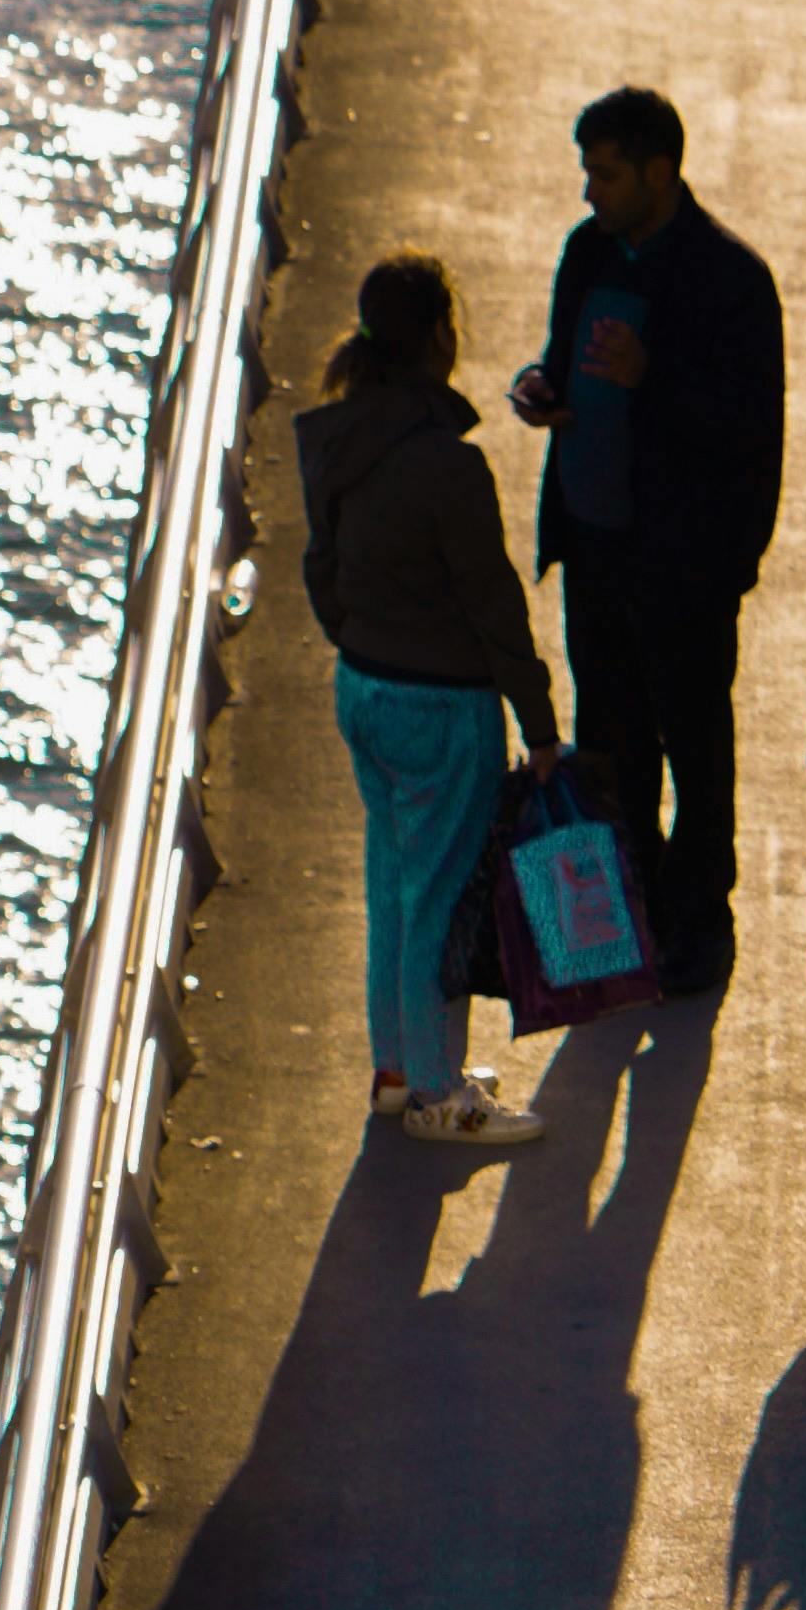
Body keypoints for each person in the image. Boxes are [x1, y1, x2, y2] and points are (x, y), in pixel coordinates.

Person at [510, 83, 784, 996]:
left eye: (607, 173)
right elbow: (563, 354)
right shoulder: (587, 252)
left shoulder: (729, 280)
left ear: (661, 171)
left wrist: (651, 375)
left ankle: (698, 924)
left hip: (683, 567)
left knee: (695, 747)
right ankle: (624, 924)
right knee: (612, 745)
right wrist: (541, 388)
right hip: (595, 550)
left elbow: (749, 426)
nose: (591, 192)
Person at [296, 255, 560, 1151]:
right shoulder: (449, 465)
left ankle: (398, 1070)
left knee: (393, 888)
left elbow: (318, 568)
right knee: (441, 902)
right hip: (442, 706)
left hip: (361, 687)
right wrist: (541, 721)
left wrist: (356, 634)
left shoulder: (334, 436)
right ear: (441, 337)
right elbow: (493, 605)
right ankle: (441, 1099)